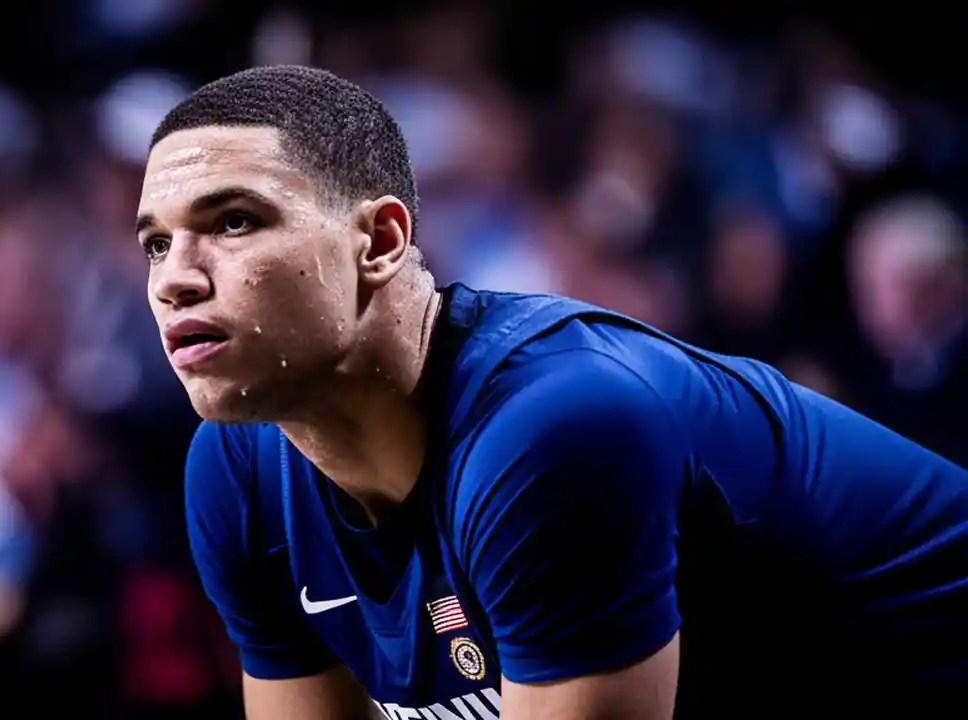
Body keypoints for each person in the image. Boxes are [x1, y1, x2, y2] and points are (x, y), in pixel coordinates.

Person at [133, 65, 968, 719]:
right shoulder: (238, 471)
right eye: (156, 243)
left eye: (234, 221)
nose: (174, 279)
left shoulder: (553, 429)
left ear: (381, 241)